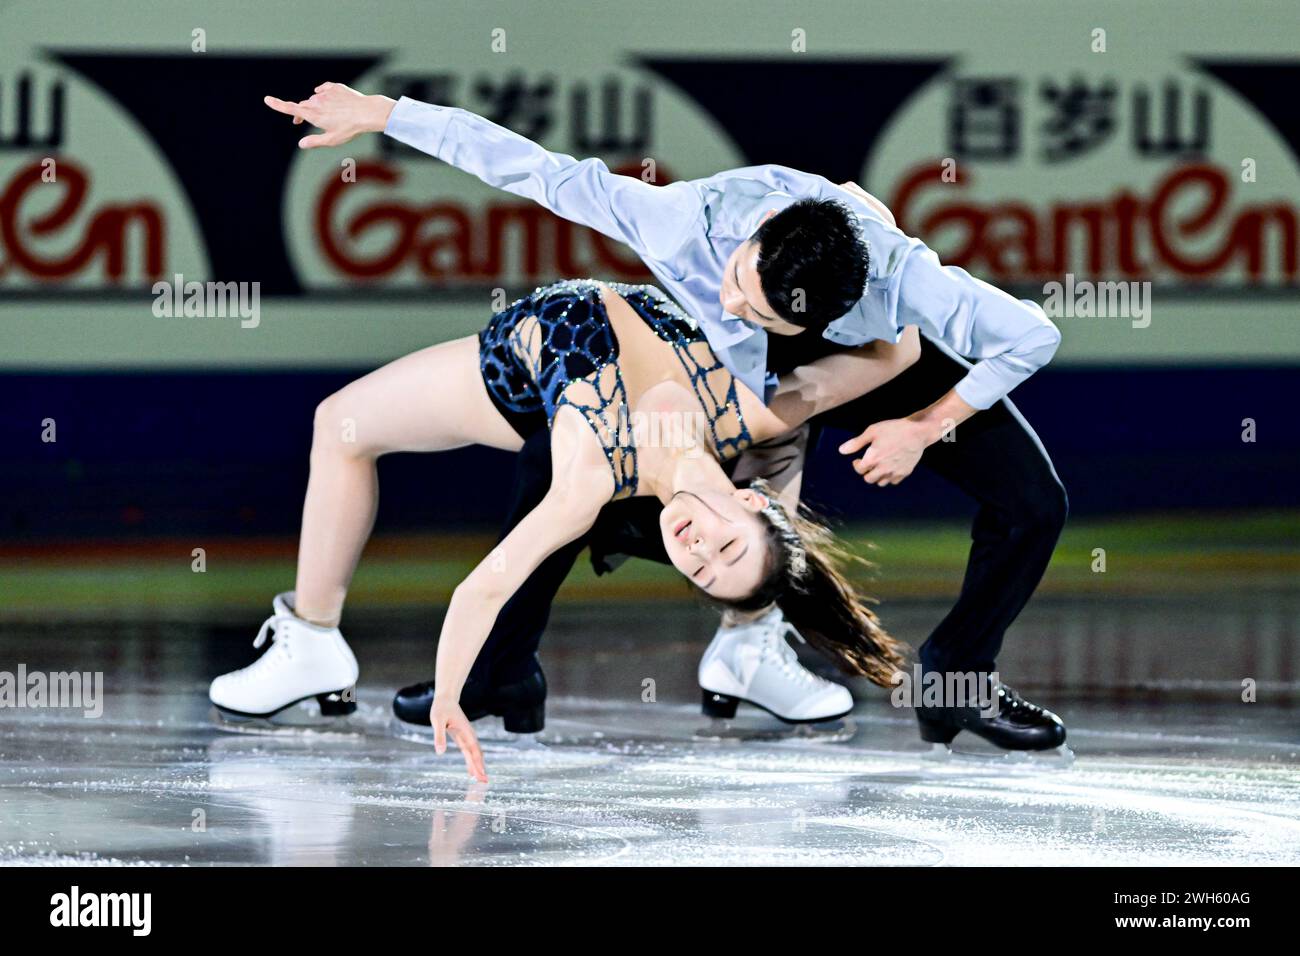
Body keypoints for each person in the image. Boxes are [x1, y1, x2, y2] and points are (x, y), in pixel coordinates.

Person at [263, 82, 1069, 752]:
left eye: (750, 306)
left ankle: (944, 679)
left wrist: (925, 426)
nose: (726, 300)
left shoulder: (908, 285)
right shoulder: (689, 226)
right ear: (756, 237)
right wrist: (387, 114)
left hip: (871, 350)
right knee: (574, 463)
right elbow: (535, 170)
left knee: (1034, 503)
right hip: (693, 375)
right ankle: (512, 671)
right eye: (736, 280)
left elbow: (1028, 336)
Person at [208, 278, 917, 781]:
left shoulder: (585, 484)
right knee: (340, 424)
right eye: (723, 544)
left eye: (700, 570)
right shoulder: (752, 413)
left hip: (529, 356)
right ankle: (311, 653)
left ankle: (749, 645)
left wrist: (451, 695)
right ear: (754, 505)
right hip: (582, 309)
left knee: (344, 423)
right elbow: (898, 348)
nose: (695, 547)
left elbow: (480, 591)